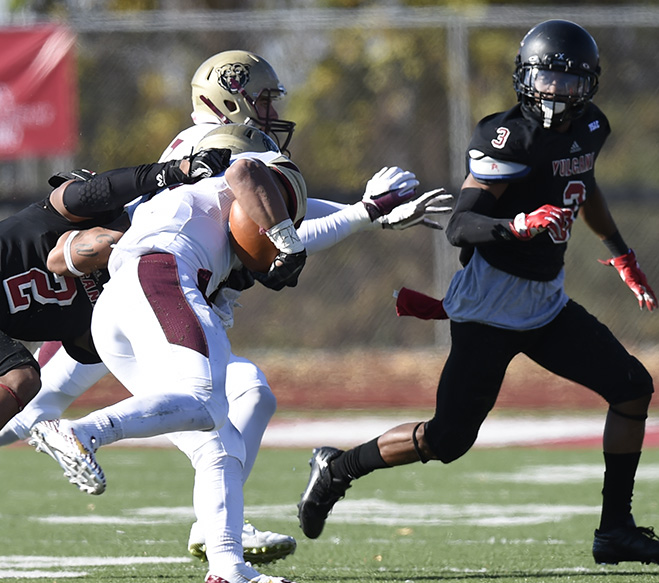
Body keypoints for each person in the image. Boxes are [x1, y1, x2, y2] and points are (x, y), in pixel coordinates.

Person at [3, 50, 450, 564]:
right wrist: (358, 215)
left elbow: (276, 207)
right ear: (229, 98)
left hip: (130, 302)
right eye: (260, 99)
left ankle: (223, 553)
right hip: (148, 285)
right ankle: (85, 433)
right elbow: (254, 188)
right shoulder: (223, 147)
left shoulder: (218, 149)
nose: (269, 111)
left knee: (229, 419)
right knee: (55, 409)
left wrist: (362, 215)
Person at [296, 20, 659, 566]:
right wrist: (517, 225)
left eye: (570, 83)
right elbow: (461, 225)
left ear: (589, 87)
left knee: (632, 388)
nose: (559, 93)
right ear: (526, 79)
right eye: (548, 79)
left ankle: (614, 529)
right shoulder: (507, 137)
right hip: (488, 308)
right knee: (447, 440)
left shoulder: (591, 126)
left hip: (545, 304)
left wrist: (619, 251)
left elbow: (582, 181)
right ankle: (338, 468)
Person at [0, 150, 229, 433]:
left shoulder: (137, 273)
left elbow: (90, 349)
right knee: (21, 378)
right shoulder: (60, 213)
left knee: (25, 378)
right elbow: (102, 191)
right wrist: (177, 170)